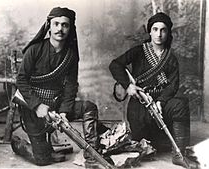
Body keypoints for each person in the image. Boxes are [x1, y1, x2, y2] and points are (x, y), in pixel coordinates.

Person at [11, 7, 107, 168]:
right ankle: (20, 146)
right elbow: (21, 80)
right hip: (32, 107)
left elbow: (71, 86)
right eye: (56, 24)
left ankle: (91, 155)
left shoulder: (71, 55)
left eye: (65, 25)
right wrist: (37, 105)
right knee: (42, 160)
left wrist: (63, 112)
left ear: (70, 29)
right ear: (49, 25)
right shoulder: (34, 50)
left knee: (89, 107)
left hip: (57, 106)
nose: (60, 29)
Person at [109, 12, 190, 168]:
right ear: (150, 31)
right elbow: (115, 65)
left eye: (163, 30)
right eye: (155, 29)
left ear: (168, 33)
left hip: (160, 105)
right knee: (144, 145)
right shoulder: (139, 51)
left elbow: (173, 85)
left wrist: (161, 101)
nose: (159, 34)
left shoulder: (171, 58)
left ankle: (179, 154)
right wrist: (128, 85)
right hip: (140, 104)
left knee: (180, 104)